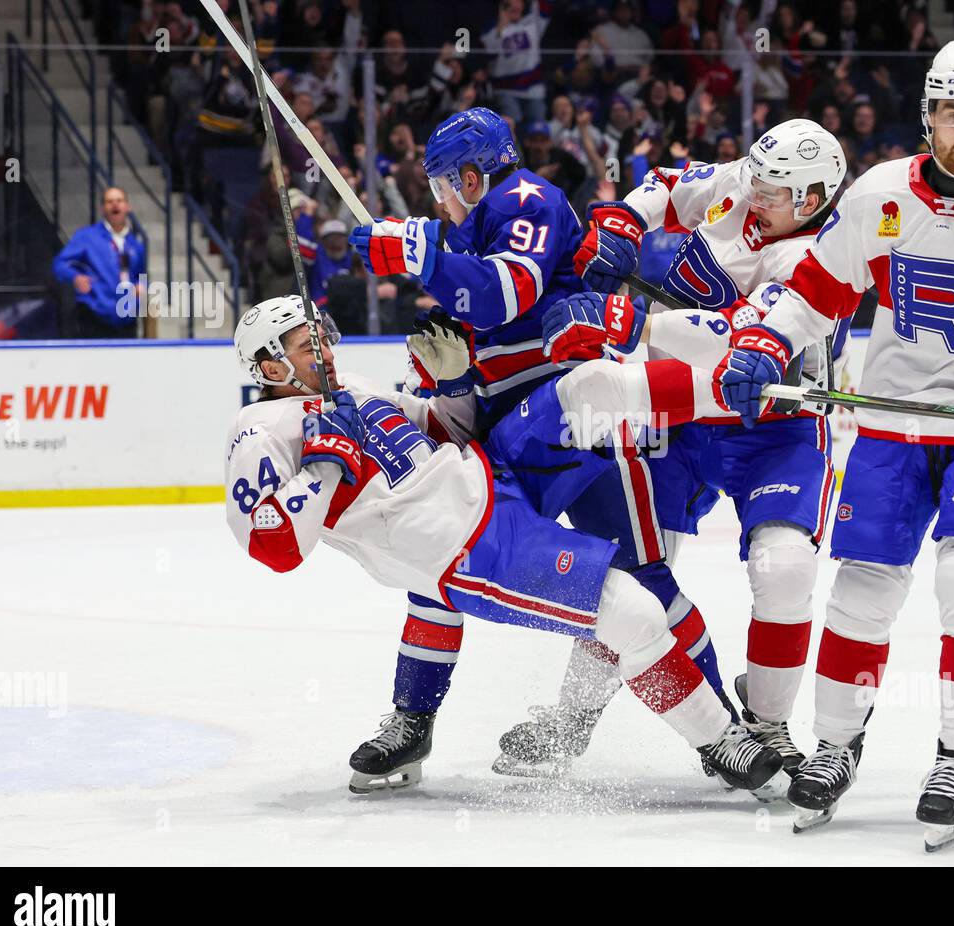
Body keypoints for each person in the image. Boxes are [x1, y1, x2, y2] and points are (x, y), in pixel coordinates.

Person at [711, 41, 954, 850]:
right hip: (894, 426)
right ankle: (836, 745)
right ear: (928, 115)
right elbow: (817, 291)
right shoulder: (880, 195)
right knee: (863, 587)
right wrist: (764, 344)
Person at [225, 294, 783, 795]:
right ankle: (720, 740)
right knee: (633, 611)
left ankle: (753, 388)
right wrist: (323, 467)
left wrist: (452, 384)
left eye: (321, 335)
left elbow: (448, 432)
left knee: (588, 386)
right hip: (467, 543)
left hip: (491, 469)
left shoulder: (353, 389)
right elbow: (273, 546)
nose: (322, 348)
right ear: (272, 367)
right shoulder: (261, 429)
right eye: (306, 345)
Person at [346, 107, 737, 783]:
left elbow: (508, 294)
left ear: (472, 175)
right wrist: (455, 368)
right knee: (440, 552)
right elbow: (495, 335)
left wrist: (422, 254)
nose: (439, 200)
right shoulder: (475, 228)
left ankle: (725, 731)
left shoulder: (523, 199)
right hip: (512, 426)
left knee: (640, 578)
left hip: (583, 421)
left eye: (443, 184)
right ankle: (414, 719)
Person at [496, 120, 848, 786]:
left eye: (773, 190)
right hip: (681, 409)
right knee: (631, 570)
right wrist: (624, 224)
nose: (754, 192)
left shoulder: (820, 256)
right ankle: (572, 720)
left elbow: (735, 338)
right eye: (757, 177)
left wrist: (629, 320)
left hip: (771, 424)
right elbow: (663, 188)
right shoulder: (749, 183)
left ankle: (765, 722)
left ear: (810, 200)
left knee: (785, 567)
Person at [51, 186, 148, 339]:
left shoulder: (136, 245)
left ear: (127, 207)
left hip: (127, 320)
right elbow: (60, 264)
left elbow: (140, 276)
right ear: (103, 209)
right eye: (110, 201)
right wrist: (75, 277)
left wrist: (140, 288)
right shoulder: (87, 237)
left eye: (119, 201)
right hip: (94, 316)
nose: (115, 205)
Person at [482, 0, 550, 127]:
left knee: (539, 125)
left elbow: (544, 7)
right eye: (510, 3)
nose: (516, 5)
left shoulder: (531, 23)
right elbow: (491, 52)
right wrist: (502, 21)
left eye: (519, 2)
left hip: (533, 89)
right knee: (511, 125)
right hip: (506, 91)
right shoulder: (490, 31)